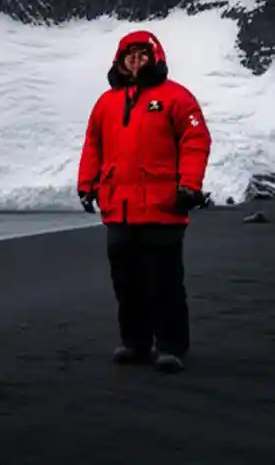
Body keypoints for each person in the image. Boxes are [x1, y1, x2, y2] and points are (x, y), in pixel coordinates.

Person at [76, 29, 211, 374]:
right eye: (129, 56)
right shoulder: (106, 104)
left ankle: (170, 346)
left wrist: (189, 185)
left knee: (164, 283)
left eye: (142, 56)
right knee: (127, 282)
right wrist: (86, 185)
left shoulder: (176, 98)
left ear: (156, 58)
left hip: (163, 209)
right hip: (119, 209)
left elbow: (196, 140)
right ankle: (135, 342)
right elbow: (93, 145)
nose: (135, 62)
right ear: (119, 61)